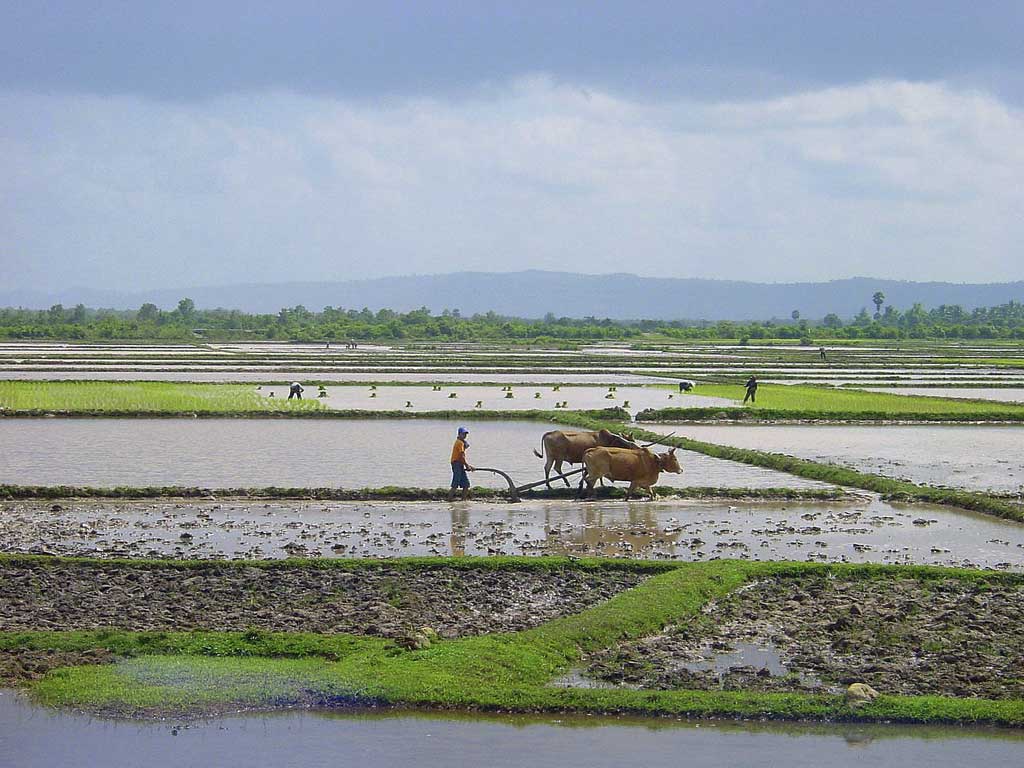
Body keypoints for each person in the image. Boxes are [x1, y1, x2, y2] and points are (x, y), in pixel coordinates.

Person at [448, 426, 475, 501]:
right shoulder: (459, 443)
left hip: (460, 463)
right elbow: (461, 456)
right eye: (463, 434)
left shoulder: (461, 442)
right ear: (459, 434)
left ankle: (463, 501)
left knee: (466, 484)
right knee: (455, 483)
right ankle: (449, 500)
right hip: (456, 463)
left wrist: (468, 465)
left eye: (466, 434)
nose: (465, 436)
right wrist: (467, 466)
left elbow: (462, 457)